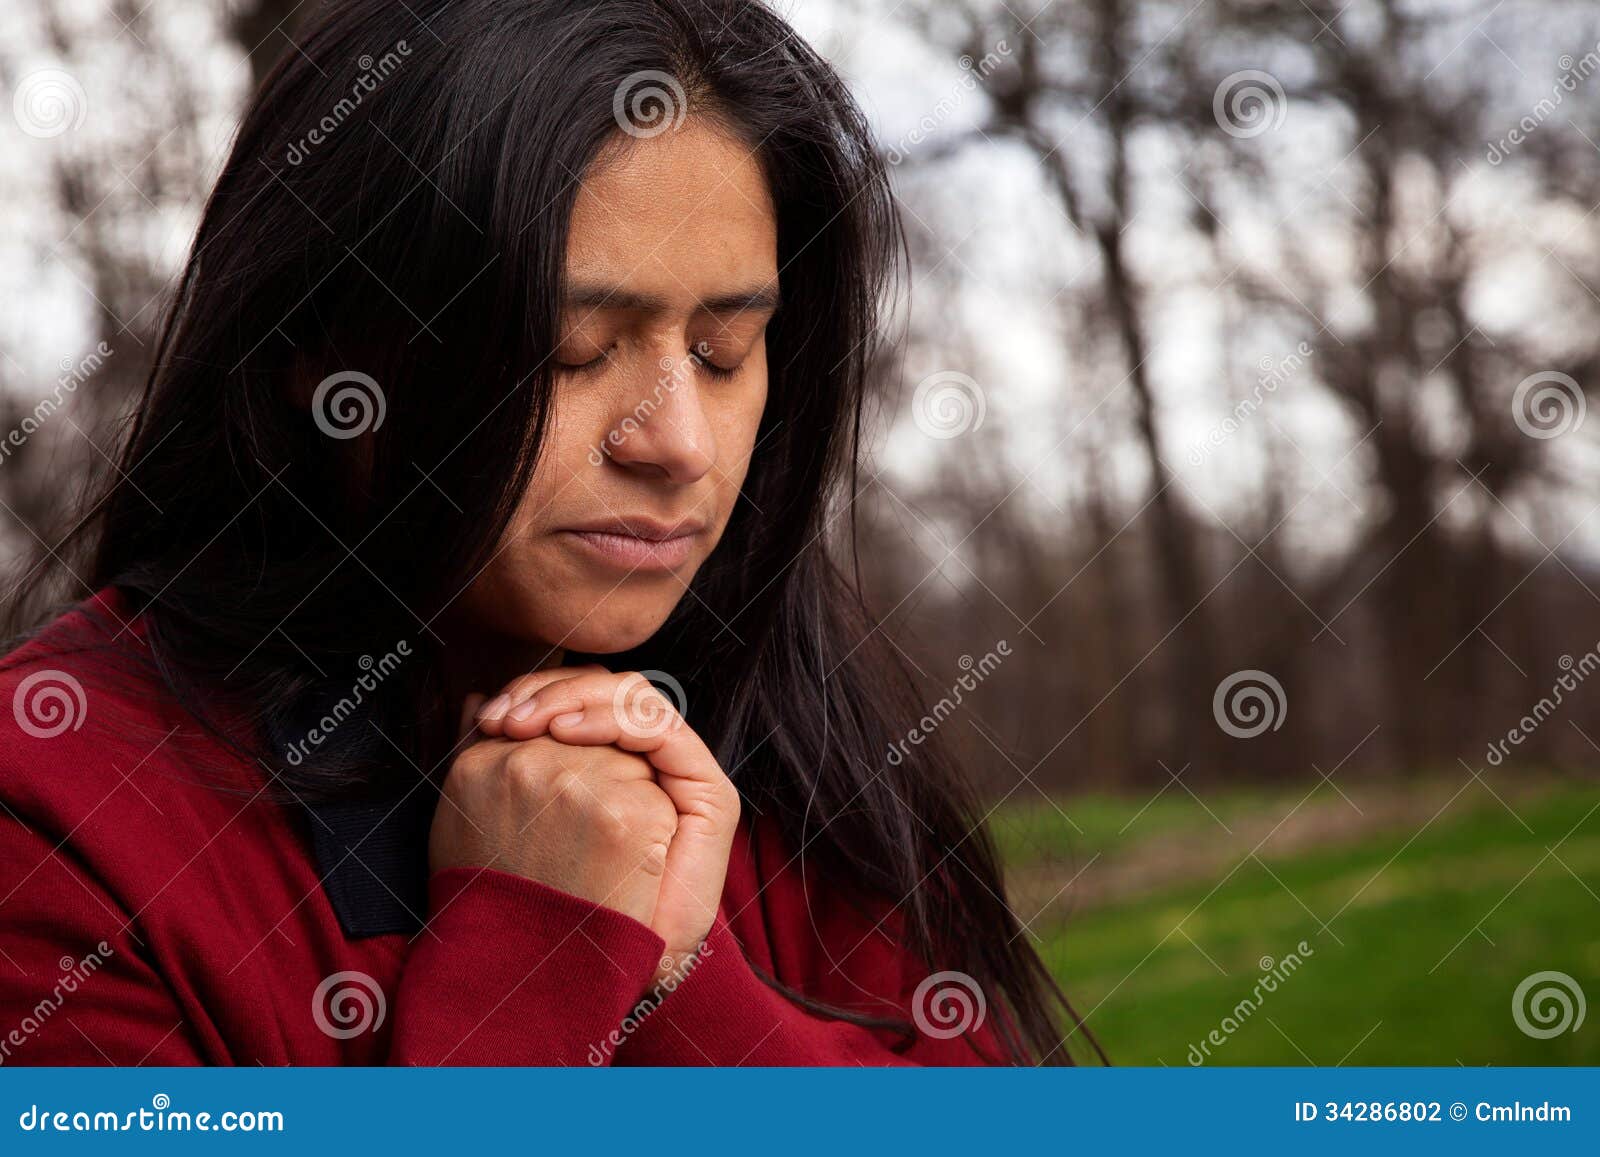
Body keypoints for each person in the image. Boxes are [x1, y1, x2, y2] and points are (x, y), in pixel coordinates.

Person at [0, 0, 1098, 1066]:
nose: (677, 443)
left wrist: (675, 972)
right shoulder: (57, 812)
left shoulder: (791, 739)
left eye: (722, 352)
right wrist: (535, 954)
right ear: (319, 351)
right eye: (571, 349)